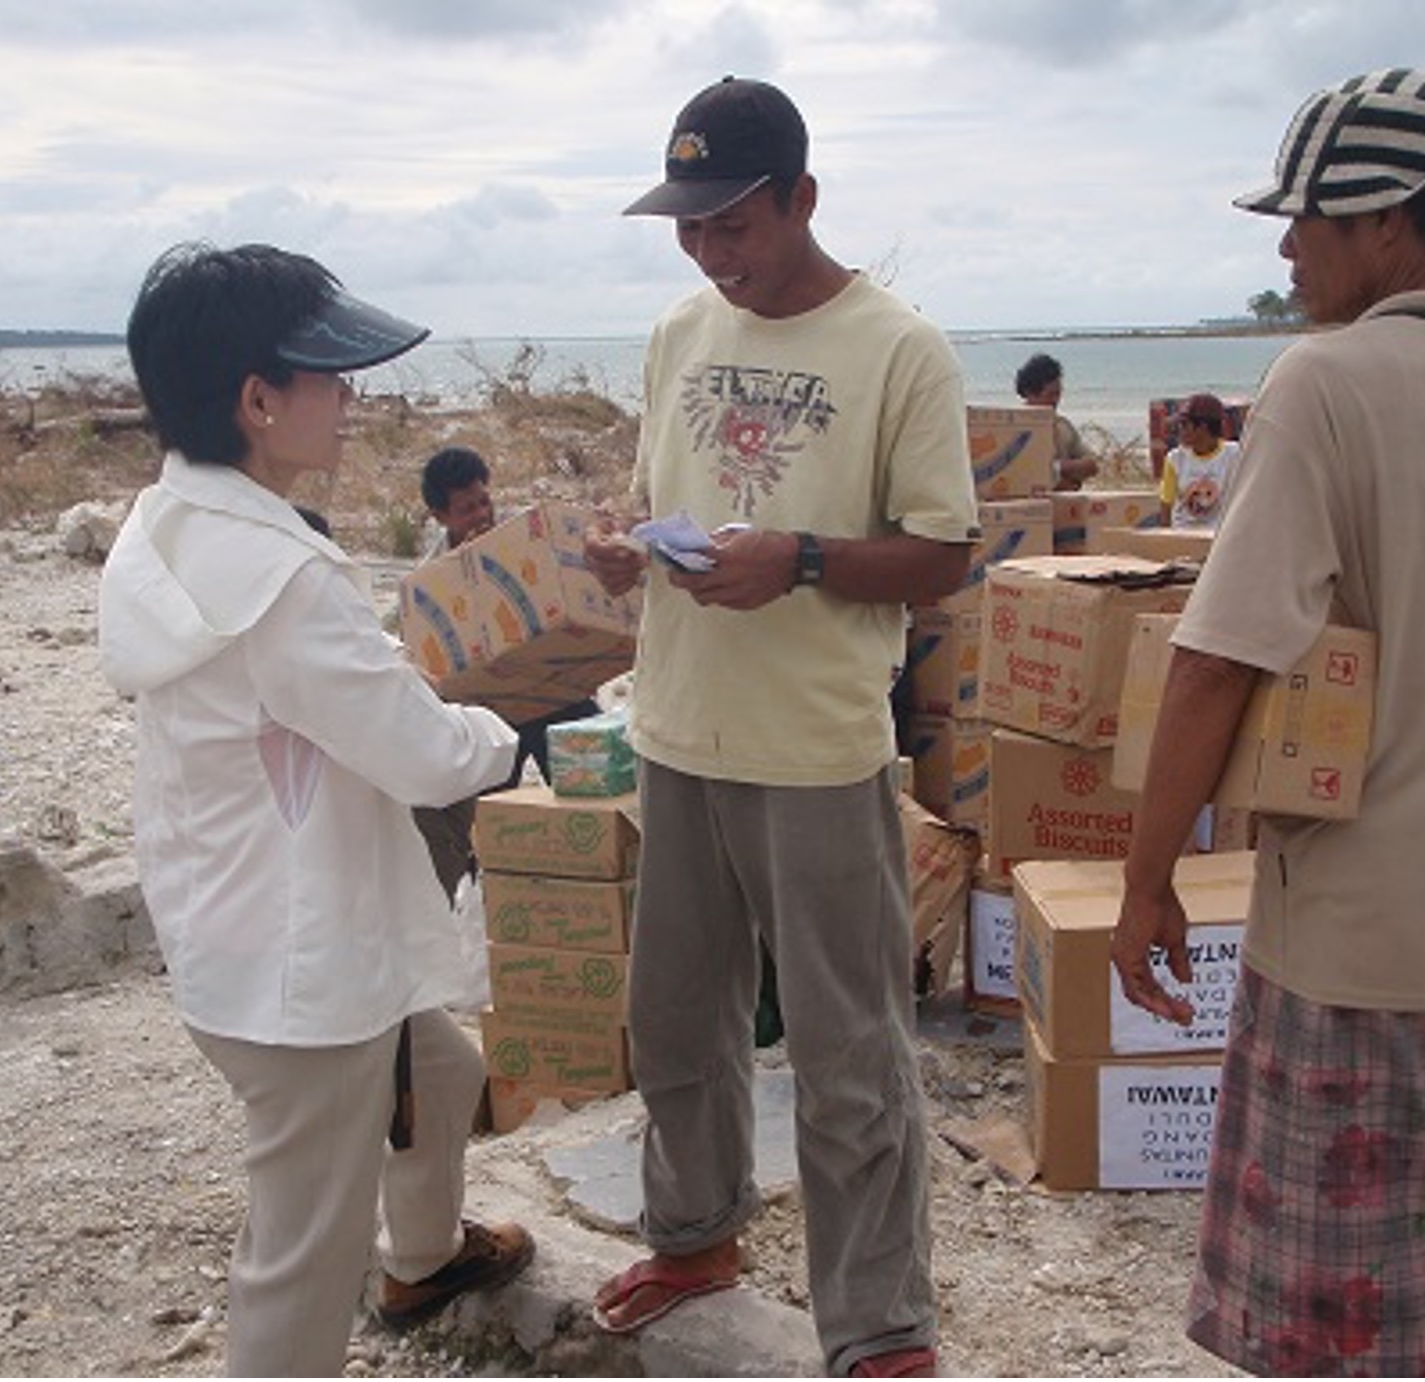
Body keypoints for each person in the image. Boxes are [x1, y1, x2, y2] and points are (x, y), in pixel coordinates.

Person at [1111, 69, 1425, 1377]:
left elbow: (1217, 663)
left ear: (1387, 221)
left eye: (1305, 222)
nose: (1285, 250)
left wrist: (1147, 879)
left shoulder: (1326, 383)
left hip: (1356, 959)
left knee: (1344, 1342)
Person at [580, 76, 979, 1379]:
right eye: (690, 229)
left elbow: (941, 560)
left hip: (814, 752)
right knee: (677, 1019)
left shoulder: (899, 350)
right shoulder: (681, 331)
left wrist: (797, 560)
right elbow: (659, 495)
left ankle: (879, 1325)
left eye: (734, 225)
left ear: (803, 198)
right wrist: (623, 551)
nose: (711, 253)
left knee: (848, 1050)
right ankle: (694, 1233)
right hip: (678, 732)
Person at [97, 242, 535, 1376]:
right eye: (329, 381)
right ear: (256, 399)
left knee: (437, 1071)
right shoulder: (286, 583)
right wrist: (510, 733)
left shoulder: (171, 523)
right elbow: (426, 754)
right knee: (298, 1251)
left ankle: (424, 1256)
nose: (349, 403)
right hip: (299, 974)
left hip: (231, 926)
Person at [417, 444, 600, 786]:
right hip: (492, 711)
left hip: (553, 691)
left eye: (484, 501)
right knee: (494, 814)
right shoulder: (429, 584)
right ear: (440, 516)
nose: (482, 515)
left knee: (595, 777)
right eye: (467, 509)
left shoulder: (526, 540)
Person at [1155, 391, 1240, 529]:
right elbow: (1166, 504)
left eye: (1184, 425)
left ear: (1202, 427)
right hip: (1183, 533)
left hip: (1218, 536)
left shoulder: (1234, 455)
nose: (1179, 430)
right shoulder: (1175, 459)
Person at [1014, 351, 1098, 489]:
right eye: (1050, 394)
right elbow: (1022, 476)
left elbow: (1091, 466)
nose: (1055, 400)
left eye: (1058, 394)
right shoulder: (1013, 428)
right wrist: (1065, 478)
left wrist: (1057, 468)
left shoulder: (1063, 426)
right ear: (1030, 393)